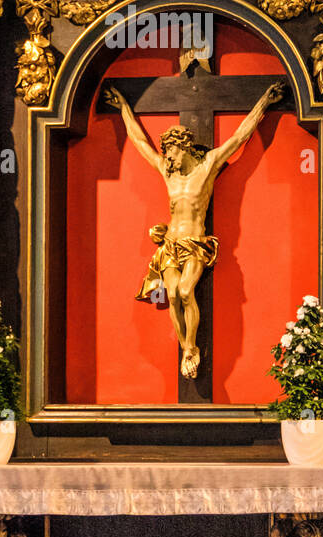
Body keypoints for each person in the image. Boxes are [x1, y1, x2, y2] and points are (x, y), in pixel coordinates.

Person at [104, 79, 285, 378]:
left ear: (184, 147)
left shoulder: (208, 166)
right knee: (173, 295)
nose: (168, 157)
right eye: (166, 152)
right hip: (170, 246)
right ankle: (186, 348)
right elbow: (140, 142)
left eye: (171, 152)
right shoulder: (168, 172)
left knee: (187, 290)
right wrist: (124, 107)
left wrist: (264, 103)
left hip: (195, 243)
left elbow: (240, 137)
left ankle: (191, 347)